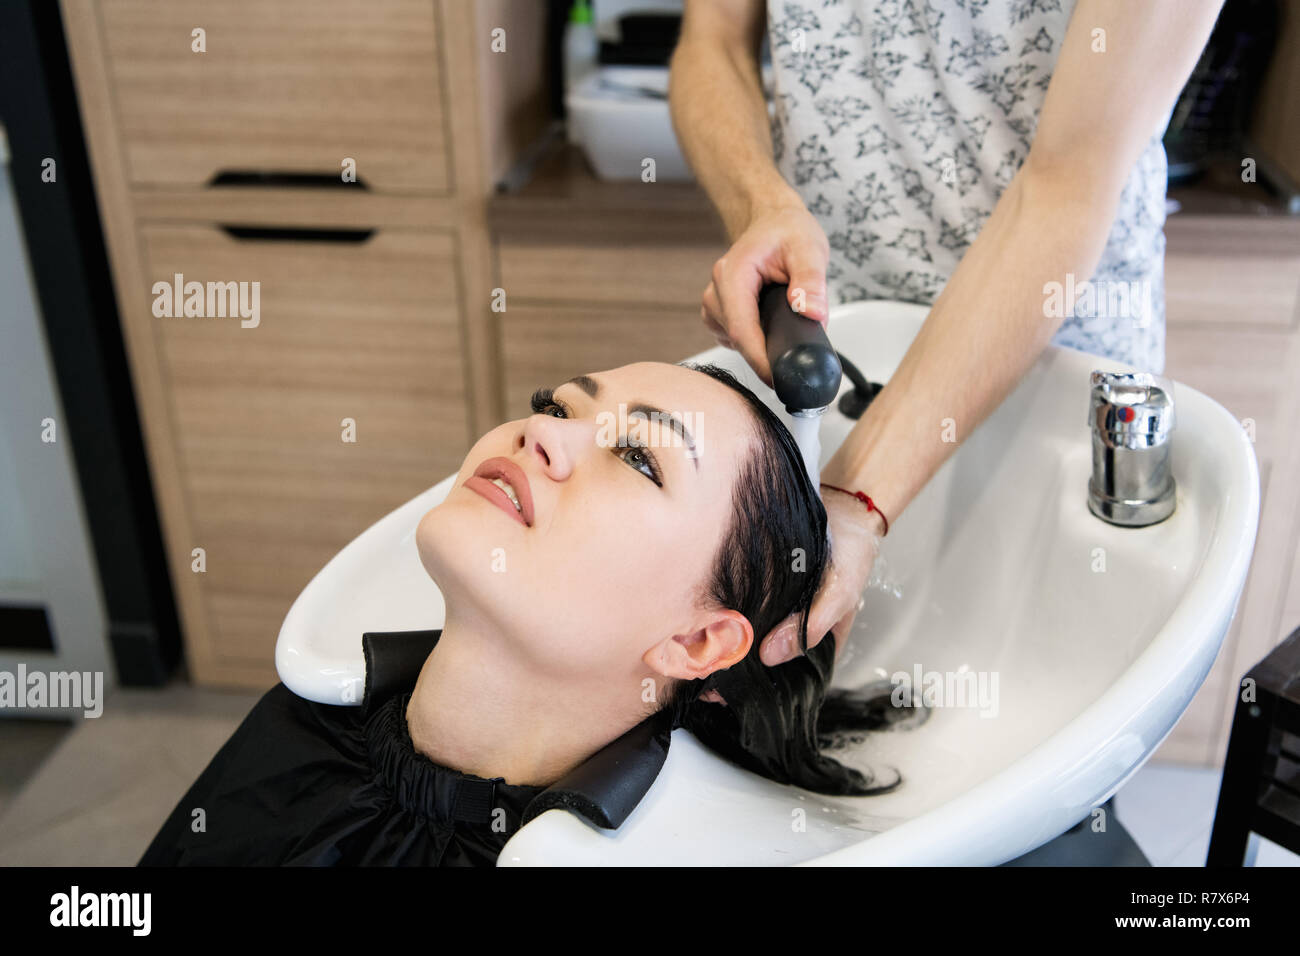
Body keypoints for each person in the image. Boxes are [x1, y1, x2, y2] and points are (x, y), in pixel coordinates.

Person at [139, 361, 901, 867]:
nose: (542, 431)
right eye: (557, 406)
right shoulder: (309, 724)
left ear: (698, 640)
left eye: (638, 457)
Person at [667, 0, 1225, 667]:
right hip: (831, 336)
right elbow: (715, 40)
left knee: (1032, 690)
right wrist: (763, 204)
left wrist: (855, 497)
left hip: (1046, 358)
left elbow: (1065, 183)